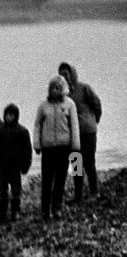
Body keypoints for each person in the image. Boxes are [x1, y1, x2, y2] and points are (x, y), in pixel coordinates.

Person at [33, 77, 80, 220]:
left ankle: (57, 208)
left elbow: (74, 125)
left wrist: (75, 146)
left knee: (60, 179)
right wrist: (37, 144)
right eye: (52, 88)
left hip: (63, 147)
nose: (54, 91)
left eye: (57, 88)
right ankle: (45, 210)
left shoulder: (69, 104)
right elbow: (37, 126)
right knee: (47, 180)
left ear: (63, 89)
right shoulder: (43, 106)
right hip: (48, 148)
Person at [58, 62, 102, 202]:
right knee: (76, 164)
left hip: (87, 132)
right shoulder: (62, 94)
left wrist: (93, 121)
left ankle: (94, 192)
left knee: (89, 162)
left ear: (72, 73)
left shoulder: (84, 88)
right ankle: (78, 195)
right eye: (61, 75)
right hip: (73, 135)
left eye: (66, 73)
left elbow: (97, 104)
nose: (64, 77)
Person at [0, 104, 33, 224]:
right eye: (6, 115)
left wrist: (26, 166)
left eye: (11, 115)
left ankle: (15, 212)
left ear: (16, 116)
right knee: (2, 191)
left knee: (16, 191)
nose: (8, 117)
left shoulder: (22, 131)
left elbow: (27, 150)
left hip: (15, 167)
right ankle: (2, 214)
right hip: (3, 166)